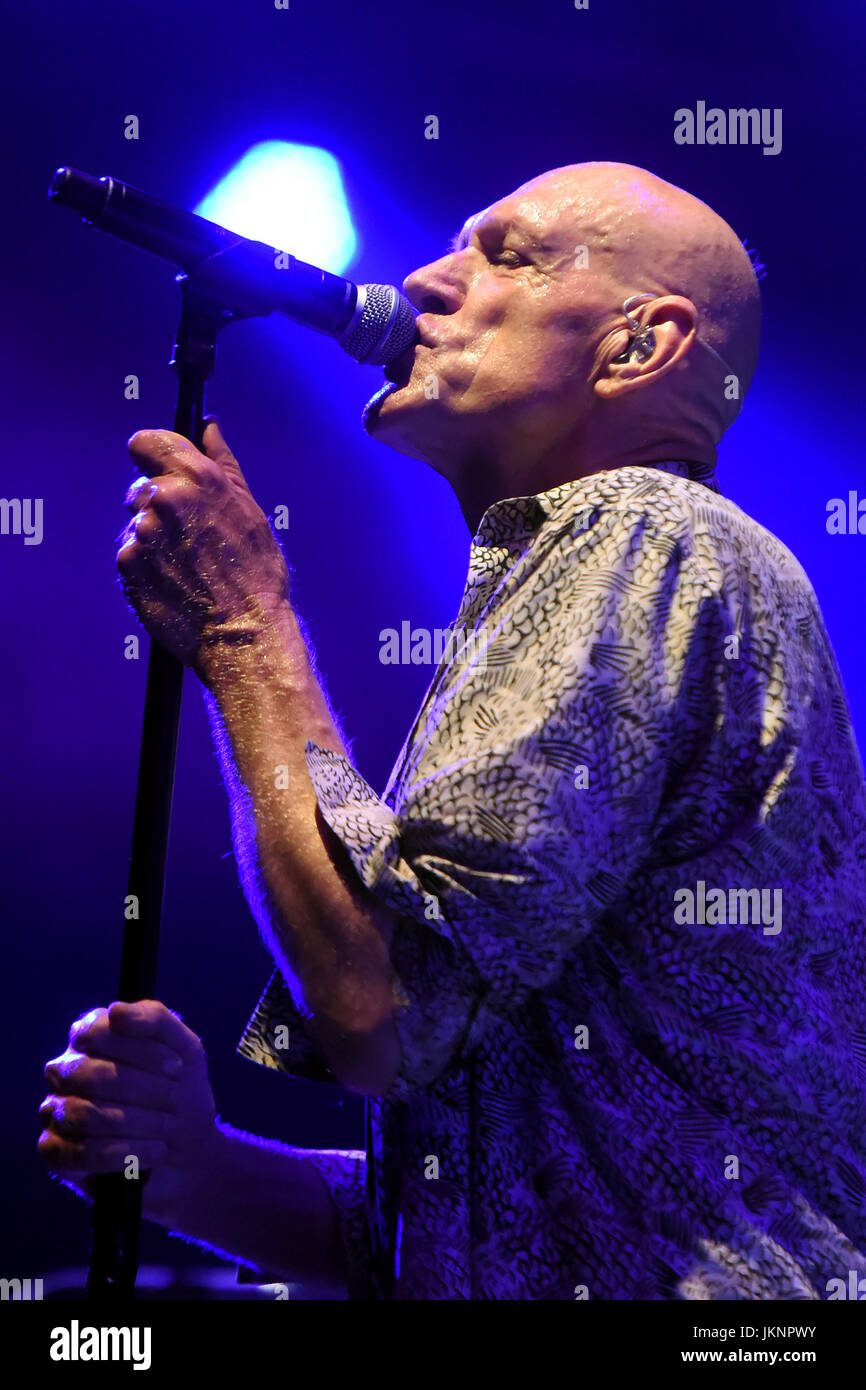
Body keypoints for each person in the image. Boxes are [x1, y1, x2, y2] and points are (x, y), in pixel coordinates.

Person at [39, 162, 866, 1300]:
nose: (424, 280)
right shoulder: (590, 575)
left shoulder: (642, 530)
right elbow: (472, 1217)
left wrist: (241, 628)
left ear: (639, 346)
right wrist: (195, 1167)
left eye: (502, 253)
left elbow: (381, 1005)